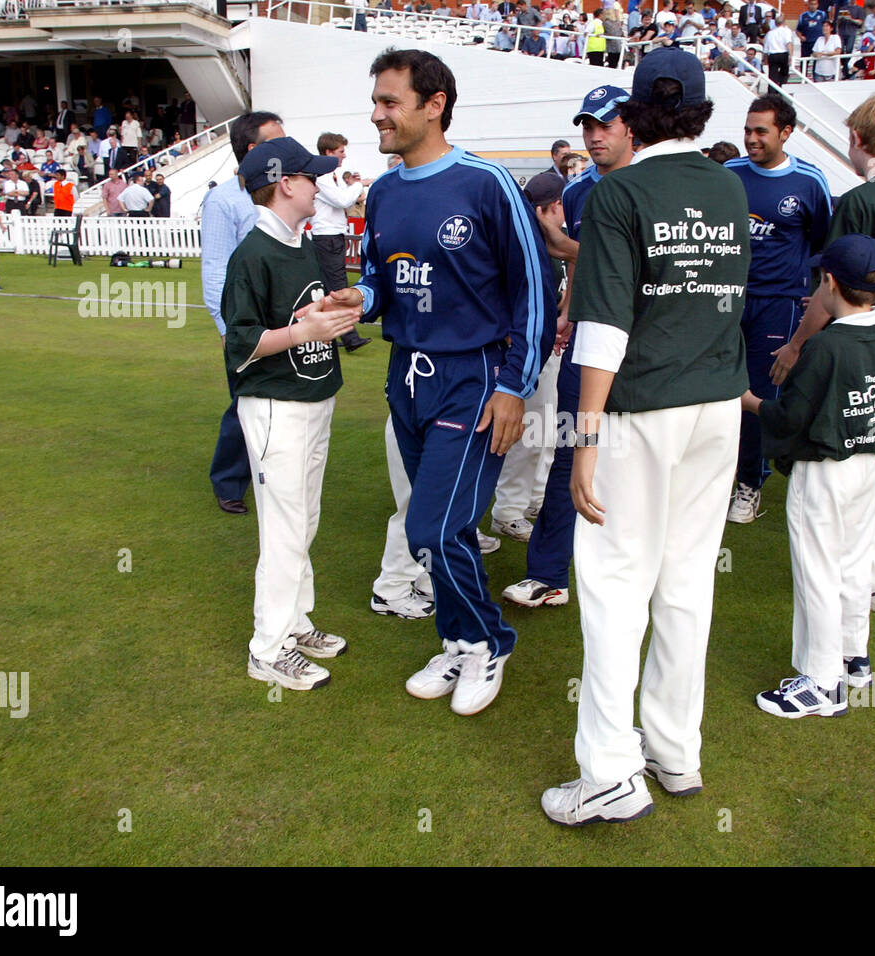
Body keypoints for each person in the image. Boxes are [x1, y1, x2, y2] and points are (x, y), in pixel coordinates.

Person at [540, 46, 749, 827]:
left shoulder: (620, 192)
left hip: (640, 410)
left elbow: (601, 327)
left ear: (632, 114)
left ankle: (608, 772)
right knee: (687, 583)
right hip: (714, 410)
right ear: (700, 111)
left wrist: (582, 439)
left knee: (614, 586)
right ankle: (674, 750)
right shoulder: (729, 186)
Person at [354, 48, 555, 718]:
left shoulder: (486, 184)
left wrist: (514, 387)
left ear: (434, 103)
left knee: (435, 526)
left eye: (390, 101)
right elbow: (377, 281)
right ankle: (460, 637)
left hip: (473, 379)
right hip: (405, 376)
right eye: (377, 100)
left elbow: (535, 289)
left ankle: (490, 641)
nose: (377, 113)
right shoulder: (382, 192)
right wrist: (350, 302)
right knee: (439, 529)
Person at [770, 92, 875, 616]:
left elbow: (831, 286)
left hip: (853, 354)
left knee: (841, 485)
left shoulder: (860, 202)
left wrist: (796, 344)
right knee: (873, 476)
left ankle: (855, 591)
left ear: (857, 139)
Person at [224, 137, 363, 691]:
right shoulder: (252, 254)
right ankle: (269, 647)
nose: (320, 185)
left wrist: (329, 311)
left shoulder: (298, 243)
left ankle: (295, 622)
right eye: (311, 177)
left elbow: (302, 309)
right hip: (277, 406)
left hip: (312, 398)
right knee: (283, 528)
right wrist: (303, 332)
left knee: (303, 518)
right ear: (285, 184)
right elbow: (241, 343)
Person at [749, 234, 875, 719]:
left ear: (829, 282)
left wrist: (748, 402)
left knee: (817, 568)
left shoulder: (827, 347)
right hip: (867, 461)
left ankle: (820, 680)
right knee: (853, 561)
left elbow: (791, 417)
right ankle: (852, 655)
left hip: (824, 469)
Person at [500, 84, 635, 612]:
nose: (594, 135)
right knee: (566, 451)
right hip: (585, 343)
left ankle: (623, 573)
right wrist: (567, 313)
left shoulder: (647, 188)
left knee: (626, 459)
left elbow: (634, 272)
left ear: (631, 126)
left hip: (635, 352)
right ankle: (549, 573)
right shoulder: (578, 192)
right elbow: (583, 264)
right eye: (587, 125)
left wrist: (564, 246)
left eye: (605, 125)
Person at [723, 94, 832, 524]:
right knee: (716, 389)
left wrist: (814, 290)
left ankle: (750, 482)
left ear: (786, 133)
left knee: (757, 396)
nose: (751, 139)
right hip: (726, 298)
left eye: (761, 131)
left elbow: (823, 245)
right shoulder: (729, 175)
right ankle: (714, 477)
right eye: (748, 130)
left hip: (779, 304)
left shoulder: (809, 181)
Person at [203, 111, 287, 516]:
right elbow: (216, 266)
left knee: (280, 401)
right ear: (254, 150)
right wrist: (226, 326)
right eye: (277, 141)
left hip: (284, 319)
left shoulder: (282, 190)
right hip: (246, 321)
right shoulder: (223, 200)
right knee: (245, 402)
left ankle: (272, 474)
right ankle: (229, 481)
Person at [310, 132, 370, 352]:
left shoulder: (328, 177)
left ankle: (334, 335)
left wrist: (353, 186)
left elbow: (339, 199)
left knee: (328, 287)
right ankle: (349, 336)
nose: (344, 156)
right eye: (340, 151)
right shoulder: (322, 177)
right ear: (328, 152)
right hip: (327, 237)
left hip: (330, 237)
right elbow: (342, 200)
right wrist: (359, 185)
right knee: (337, 287)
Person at [764, 15, 796, 86]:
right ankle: (782, 89)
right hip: (783, 54)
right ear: (784, 22)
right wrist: (791, 56)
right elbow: (789, 43)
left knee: (772, 76)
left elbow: (766, 49)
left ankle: (772, 93)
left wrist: (765, 60)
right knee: (784, 75)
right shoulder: (787, 31)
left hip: (772, 55)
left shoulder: (770, 33)